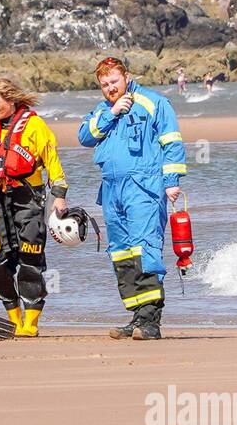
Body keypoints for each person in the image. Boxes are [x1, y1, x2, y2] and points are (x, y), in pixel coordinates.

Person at [79, 56, 187, 341]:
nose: (110, 88)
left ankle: (151, 321)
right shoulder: (104, 109)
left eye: (114, 82)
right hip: (112, 192)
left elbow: (172, 142)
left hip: (145, 188)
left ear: (126, 76)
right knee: (122, 252)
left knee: (145, 249)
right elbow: (84, 136)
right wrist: (111, 112)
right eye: (104, 84)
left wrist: (171, 181)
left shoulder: (154, 102)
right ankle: (137, 315)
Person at [0, 77, 68, 337]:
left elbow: (53, 162)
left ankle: (31, 323)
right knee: (0, 262)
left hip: (28, 200)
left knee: (30, 260)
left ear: (12, 100)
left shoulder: (35, 126)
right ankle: (14, 319)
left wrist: (60, 196)